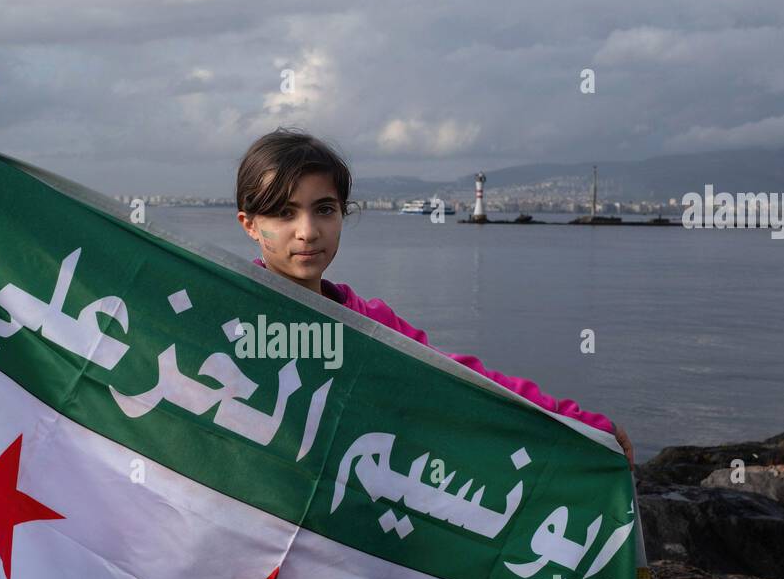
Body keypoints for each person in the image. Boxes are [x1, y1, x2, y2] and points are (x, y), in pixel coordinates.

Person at [234, 127, 635, 466]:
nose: (307, 231)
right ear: (250, 224)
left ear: (343, 213)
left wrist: (584, 426)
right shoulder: (226, 310)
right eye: (284, 213)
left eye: (324, 209)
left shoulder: (370, 324)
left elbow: (464, 383)